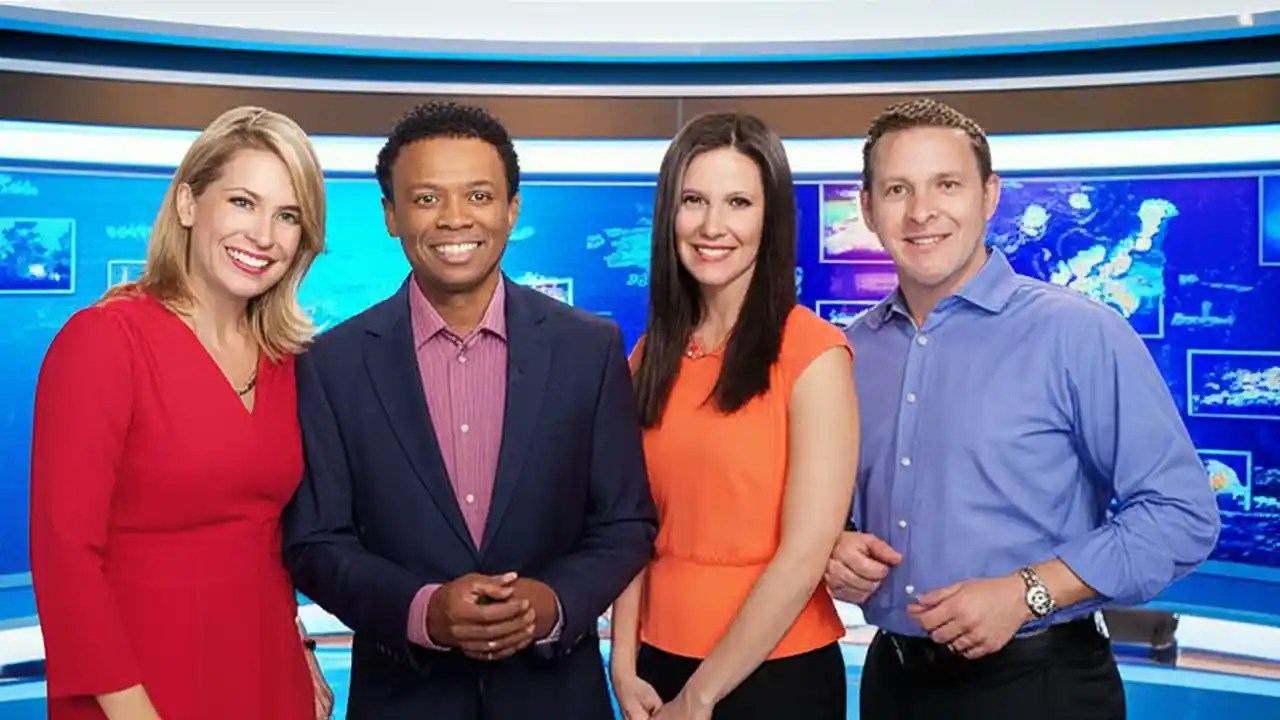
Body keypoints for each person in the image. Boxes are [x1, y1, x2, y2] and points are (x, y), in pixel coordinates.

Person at [826, 97, 1222, 719]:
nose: (922, 210)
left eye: (946, 185)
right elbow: (841, 505)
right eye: (898, 188)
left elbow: (1181, 517)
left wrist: (1027, 592)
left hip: (1039, 685)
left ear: (988, 196)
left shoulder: (1079, 335)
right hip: (892, 680)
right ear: (869, 208)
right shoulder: (848, 352)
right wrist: (835, 547)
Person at [281, 100, 657, 719]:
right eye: (426, 199)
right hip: (404, 699)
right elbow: (318, 543)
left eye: (479, 196)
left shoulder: (590, 348)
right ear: (391, 215)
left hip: (556, 699)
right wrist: (423, 609)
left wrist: (550, 603)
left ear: (512, 209)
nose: (455, 219)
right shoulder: (332, 364)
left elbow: (625, 522)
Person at [29, 106, 333, 720]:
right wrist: (130, 709)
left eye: (287, 215)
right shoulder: (105, 341)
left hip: (265, 670)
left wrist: (299, 644)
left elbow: (265, 536)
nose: (264, 236)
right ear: (190, 204)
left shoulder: (286, 359)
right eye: (243, 203)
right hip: (134, 686)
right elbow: (65, 556)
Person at [609, 111, 860, 720]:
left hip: (775, 673)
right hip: (654, 665)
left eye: (739, 202)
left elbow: (805, 556)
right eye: (693, 200)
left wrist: (701, 696)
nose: (712, 226)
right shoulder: (650, 355)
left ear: (769, 219)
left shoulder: (814, 354)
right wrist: (621, 663)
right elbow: (627, 523)